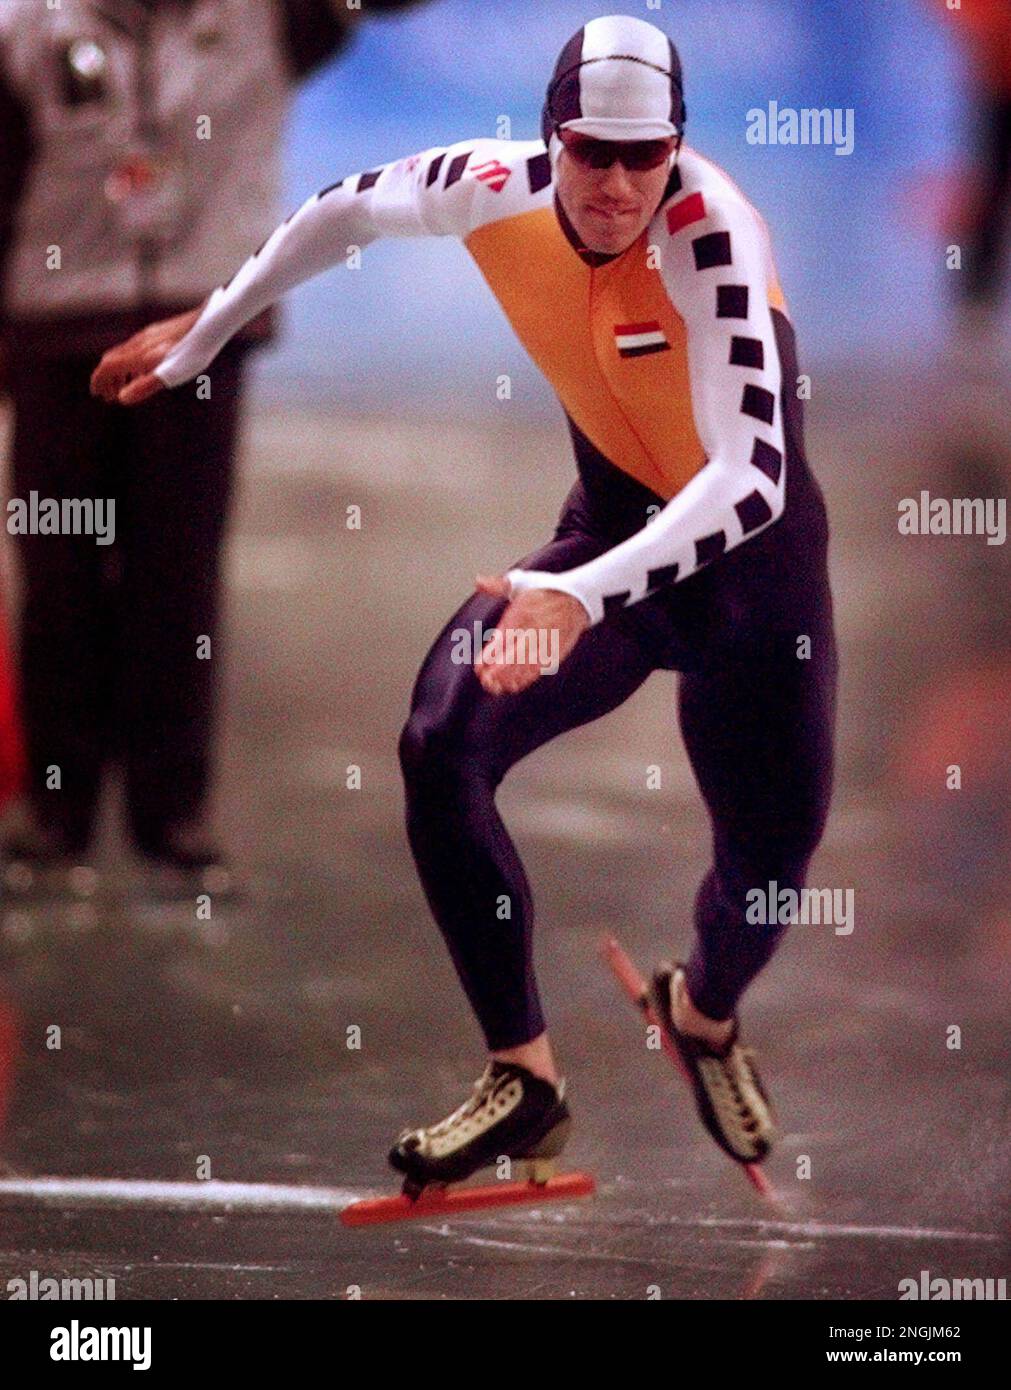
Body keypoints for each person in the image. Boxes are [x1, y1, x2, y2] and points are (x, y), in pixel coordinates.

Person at [91, 15, 838, 1184]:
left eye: (646, 155)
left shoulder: (713, 233)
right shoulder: (494, 185)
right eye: (591, 151)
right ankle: (525, 1079)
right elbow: (340, 207)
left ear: (677, 149)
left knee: (769, 865)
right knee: (441, 744)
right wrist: (203, 331)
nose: (616, 183)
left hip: (756, 586)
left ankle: (702, 1014)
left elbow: (753, 480)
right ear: (552, 140)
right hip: (613, 542)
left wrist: (580, 595)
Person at [0, 0, 428, 891]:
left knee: (178, 575)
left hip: (203, 329)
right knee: (57, 578)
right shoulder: (27, 27)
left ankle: (173, 820)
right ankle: (56, 816)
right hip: (54, 334)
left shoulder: (277, 15)